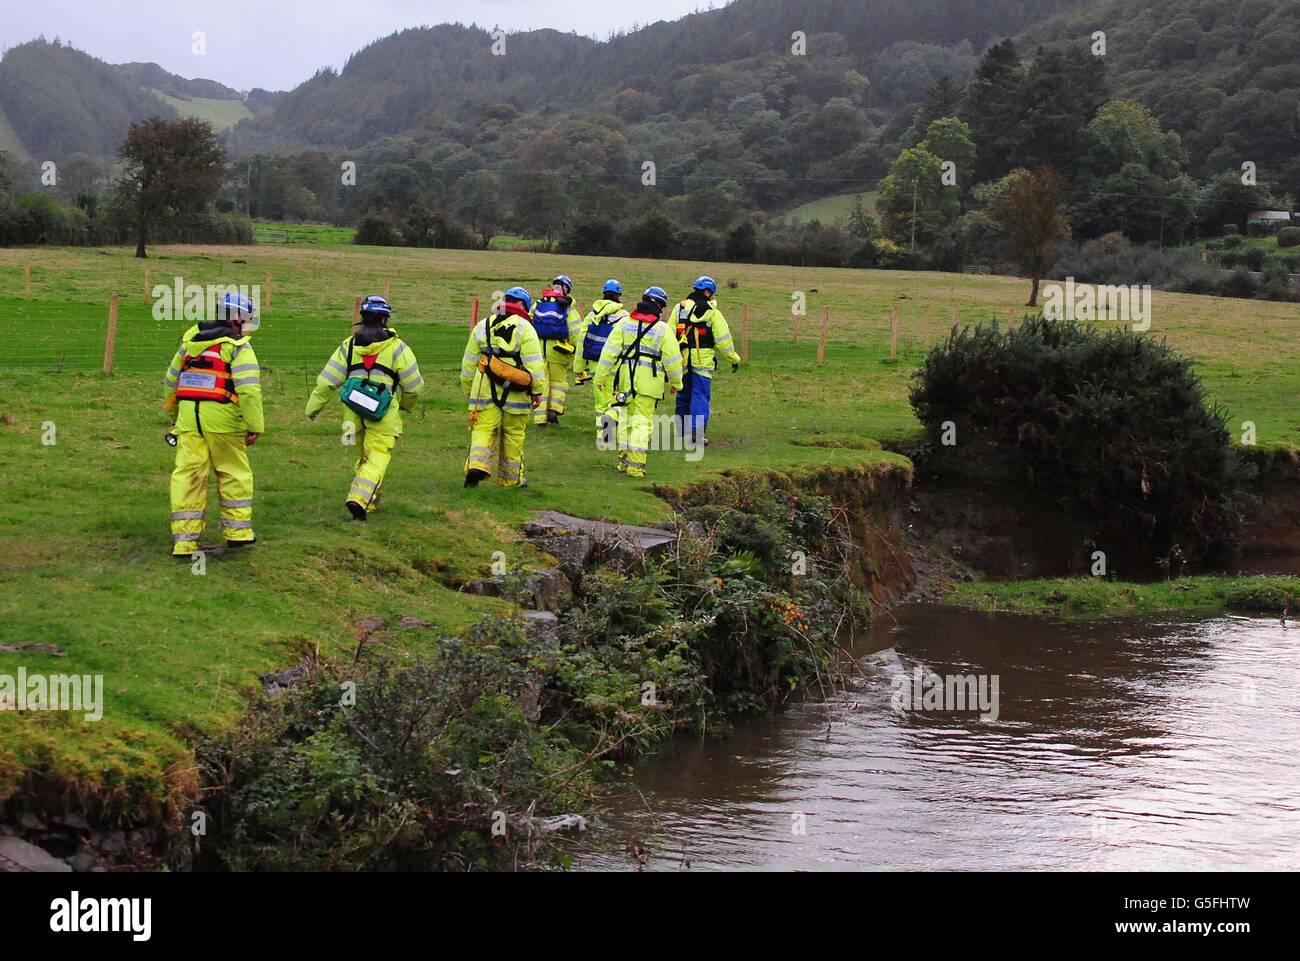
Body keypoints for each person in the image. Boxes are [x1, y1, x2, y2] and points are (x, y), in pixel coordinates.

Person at [163, 292, 265, 557]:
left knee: (188, 475)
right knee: (233, 472)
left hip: (188, 419)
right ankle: (238, 533)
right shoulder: (238, 347)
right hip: (223, 420)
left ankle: (184, 542)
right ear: (238, 319)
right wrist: (255, 426)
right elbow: (249, 391)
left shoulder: (190, 343)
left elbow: (170, 381)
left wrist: (176, 417)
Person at [305, 295, 423, 521]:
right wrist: (406, 407)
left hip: (352, 413)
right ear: (384, 319)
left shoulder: (348, 346)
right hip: (383, 413)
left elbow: (327, 381)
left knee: (364, 456)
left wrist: (313, 408)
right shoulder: (398, 349)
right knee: (377, 455)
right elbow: (414, 387)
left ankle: (369, 503)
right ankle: (358, 499)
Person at [461, 287, 548, 488]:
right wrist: (537, 392)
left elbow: (468, 365)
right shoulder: (525, 328)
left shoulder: (482, 326)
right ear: (521, 305)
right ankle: (511, 480)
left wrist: (470, 392)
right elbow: (535, 365)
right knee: (513, 435)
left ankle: (476, 467)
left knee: (483, 430)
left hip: (483, 390)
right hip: (516, 394)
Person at [593, 286, 683, 478]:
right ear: (659, 306)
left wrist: (600, 377)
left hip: (625, 380)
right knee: (641, 423)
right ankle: (635, 466)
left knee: (625, 420)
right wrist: (677, 383)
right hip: (649, 384)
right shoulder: (662, 330)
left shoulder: (624, 324)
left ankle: (623, 461)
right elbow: (673, 360)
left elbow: (608, 352)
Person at [673, 275, 740, 447]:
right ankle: (696, 435)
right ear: (708, 292)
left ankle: (681, 431)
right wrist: (733, 359)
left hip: (682, 360)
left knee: (683, 394)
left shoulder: (679, 309)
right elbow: (723, 340)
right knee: (700, 397)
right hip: (703, 361)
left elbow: (668, 333)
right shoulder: (713, 313)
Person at [573, 279, 630, 439]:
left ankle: (603, 434)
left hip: (594, 364)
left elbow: (582, 341)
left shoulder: (592, 315)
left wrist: (578, 368)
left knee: (600, 401)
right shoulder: (625, 316)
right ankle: (612, 430)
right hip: (615, 365)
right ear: (619, 294)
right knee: (616, 396)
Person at [529, 274, 583, 426]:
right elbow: (575, 332)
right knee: (558, 382)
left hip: (539, 350)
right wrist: (575, 349)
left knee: (542, 383)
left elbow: (529, 324)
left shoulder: (538, 303)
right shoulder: (568, 308)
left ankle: (540, 419)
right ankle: (553, 411)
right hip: (559, 351)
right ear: (566, 289)